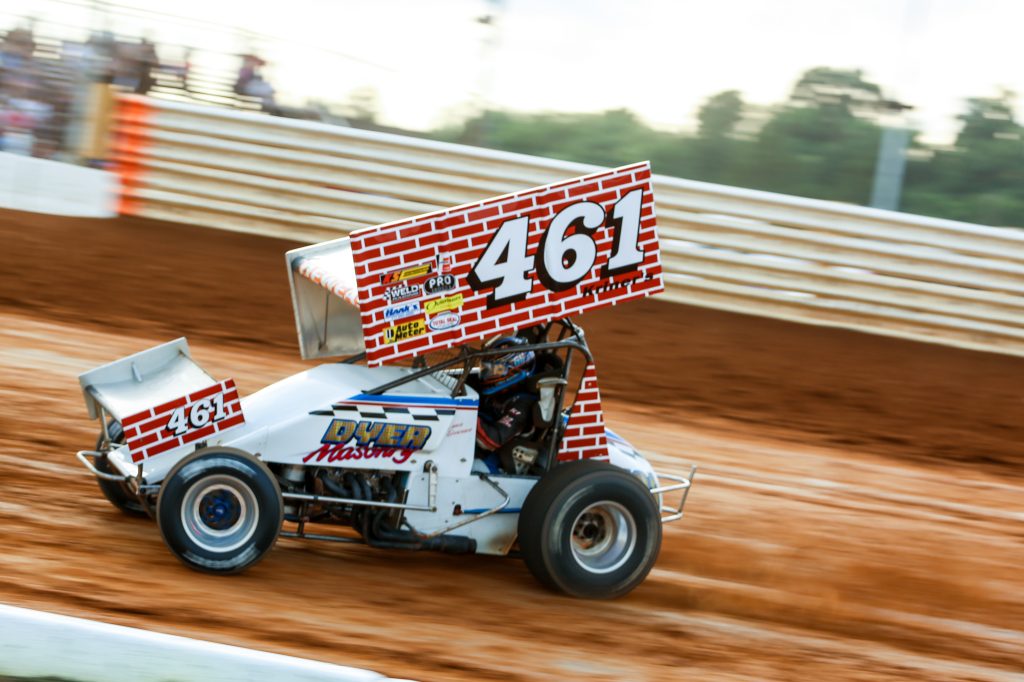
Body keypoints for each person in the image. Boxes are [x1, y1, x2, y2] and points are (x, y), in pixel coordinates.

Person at [473, 336, 539, 473]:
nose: (488, 374)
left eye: (496, 370)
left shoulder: (523, 404)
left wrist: (464, 415)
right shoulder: (503, 392)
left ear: (515, 370)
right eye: (486, 368)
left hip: (496, 464)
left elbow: (491, 441)